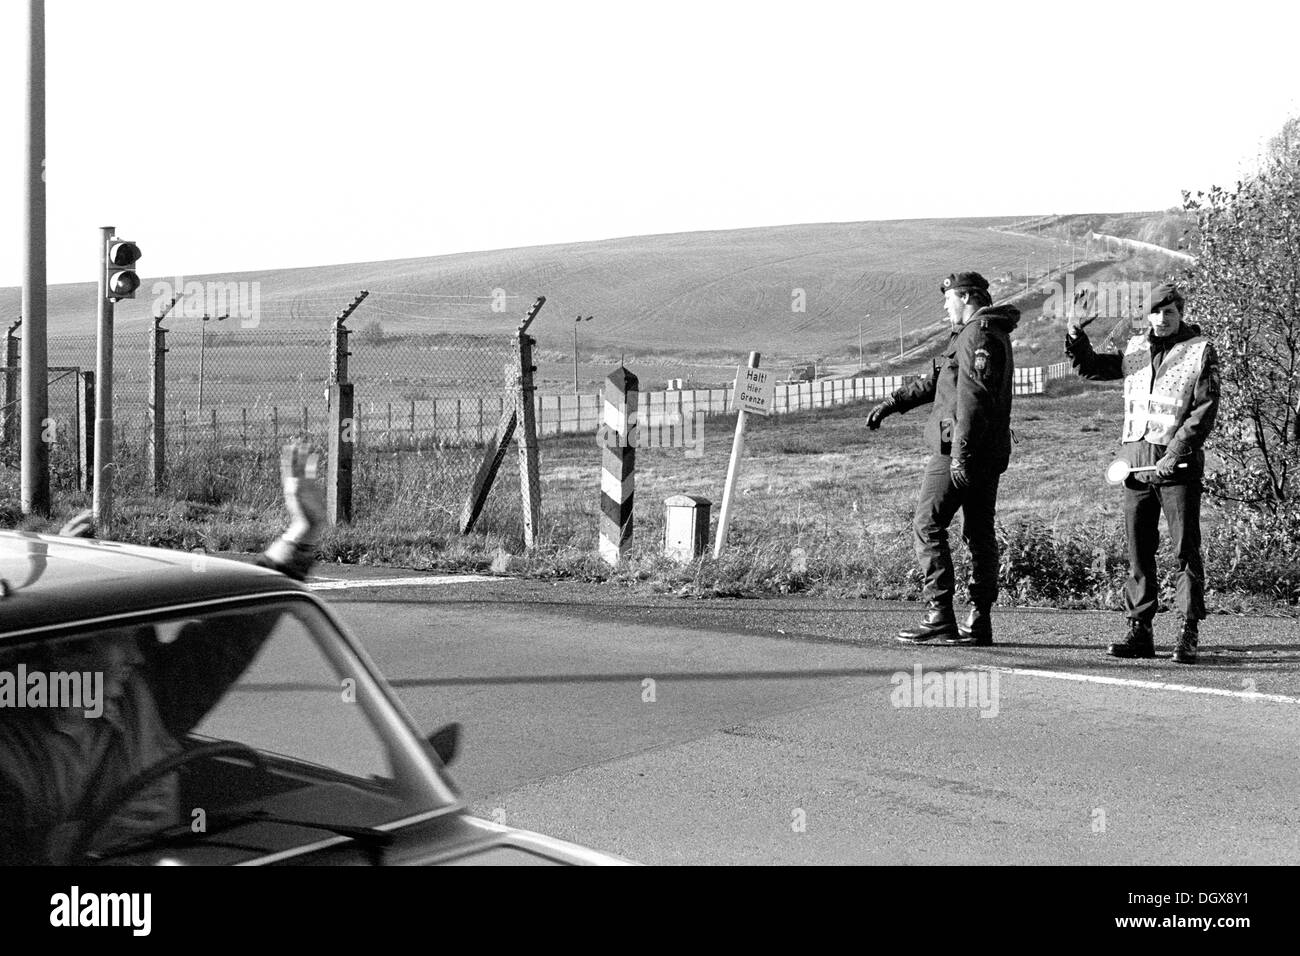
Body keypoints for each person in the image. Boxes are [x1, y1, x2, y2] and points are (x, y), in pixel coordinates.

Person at [0, 442, 325, 864]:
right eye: (121, 640)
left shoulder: (149, 698)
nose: (136, 658)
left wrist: (302, 535)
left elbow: (233, 632)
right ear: (65, 650)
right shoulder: (10, 756)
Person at [1066, 282, 1219, 663]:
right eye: (1154, 312)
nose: (1161, 318)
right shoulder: (1134, 347)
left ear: (1180, 313)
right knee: (1139, 549)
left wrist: (1178, 449)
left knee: (1185, 548)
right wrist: (1075, 334)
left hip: (1176, 465)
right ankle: (1141, 629)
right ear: (1145, 315)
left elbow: (1204, 409)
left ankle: (1188, 629)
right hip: (1135, 463)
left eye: (1168, 312)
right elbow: (1091, 368)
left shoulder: (1199, 350)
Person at [866, 272, 1019, 645]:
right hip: (984, 451)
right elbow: (940, 382)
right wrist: (893, 403)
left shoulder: (977, 333)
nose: (944, 306)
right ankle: (978, 619)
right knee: (978, 532)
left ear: (966, 297)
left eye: (948, 299)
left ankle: (939, 614)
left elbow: (973, 399)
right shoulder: (982, 332)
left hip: (958, 449)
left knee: (927, 524)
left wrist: (960, 456)